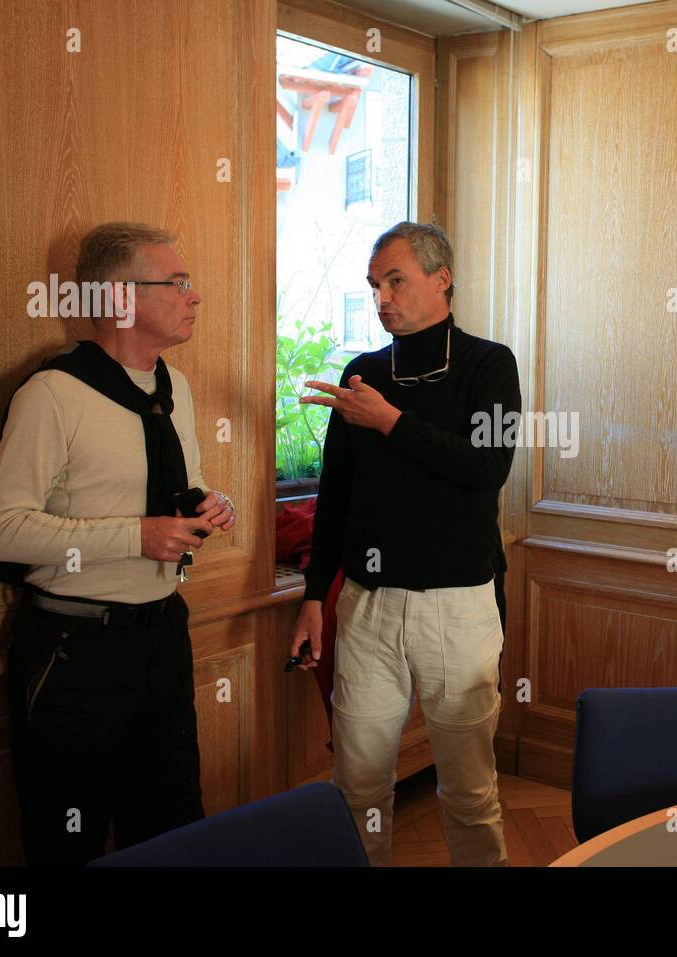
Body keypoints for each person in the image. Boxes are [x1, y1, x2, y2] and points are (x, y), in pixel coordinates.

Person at [0, 222, 237, 865]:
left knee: (175, 831)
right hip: (74, 654)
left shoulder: (178, 391)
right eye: (177, 282)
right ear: (121, 299)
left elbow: (180, 481)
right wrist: (135, 537)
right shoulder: (53, 394)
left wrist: (208, 503)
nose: (194, 295)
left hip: (164, 636)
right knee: (70, 843)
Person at [289, 221, 521, 866]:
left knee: (470, 790)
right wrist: (314, 596)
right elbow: (336, 495)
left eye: (396, 280)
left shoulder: (488, 363)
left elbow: (486, 468)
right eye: (373, 286)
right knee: (357, 785)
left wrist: (390, 422)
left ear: (441, 278)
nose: (382, 297)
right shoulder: (362, 372)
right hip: (367, 606)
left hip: (459, 605)